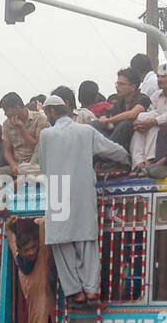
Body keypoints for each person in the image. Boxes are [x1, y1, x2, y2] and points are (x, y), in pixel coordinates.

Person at [37, 94, 131, 305]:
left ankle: (74, 291)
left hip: (58, 190)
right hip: (82, 190)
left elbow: (43, 167)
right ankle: (91, 289)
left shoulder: (46, 135)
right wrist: (128, 158)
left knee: (61, 242)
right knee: (86, 239)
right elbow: (111, 150)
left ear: (52, 112)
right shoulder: (86, 130)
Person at [130, 57, 167, 169]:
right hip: (157, 128)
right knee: (141, 124)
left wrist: (153, 121)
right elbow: (149, 112)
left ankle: (150, 161)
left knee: (153, 126)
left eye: (164, 76)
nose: (160, 79)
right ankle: (138, 162)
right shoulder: (157, 95)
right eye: (158, 76)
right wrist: (142, 121)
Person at [93, 68, 150, 148]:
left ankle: (104, 151)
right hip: (116, 139)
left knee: (126, 124)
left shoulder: (142, 98)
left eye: (121, 84)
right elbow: (112, 125)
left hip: (132, 141)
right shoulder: (119, 102)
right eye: (117, 84)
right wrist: (104, 121)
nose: (117, 87)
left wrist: (109, 120)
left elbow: (132, 114)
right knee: (95, 124)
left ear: (133, 86)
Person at [0, 91, 49, 176]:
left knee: (26, 170)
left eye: (7, 110)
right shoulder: (6, 124)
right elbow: (7, 150)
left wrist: (22, 129)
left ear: (17, 107)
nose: (5, 114)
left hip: (35, 165)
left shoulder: (40, 119)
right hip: (17, 164)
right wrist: (13, 165)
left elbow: (38, 147)